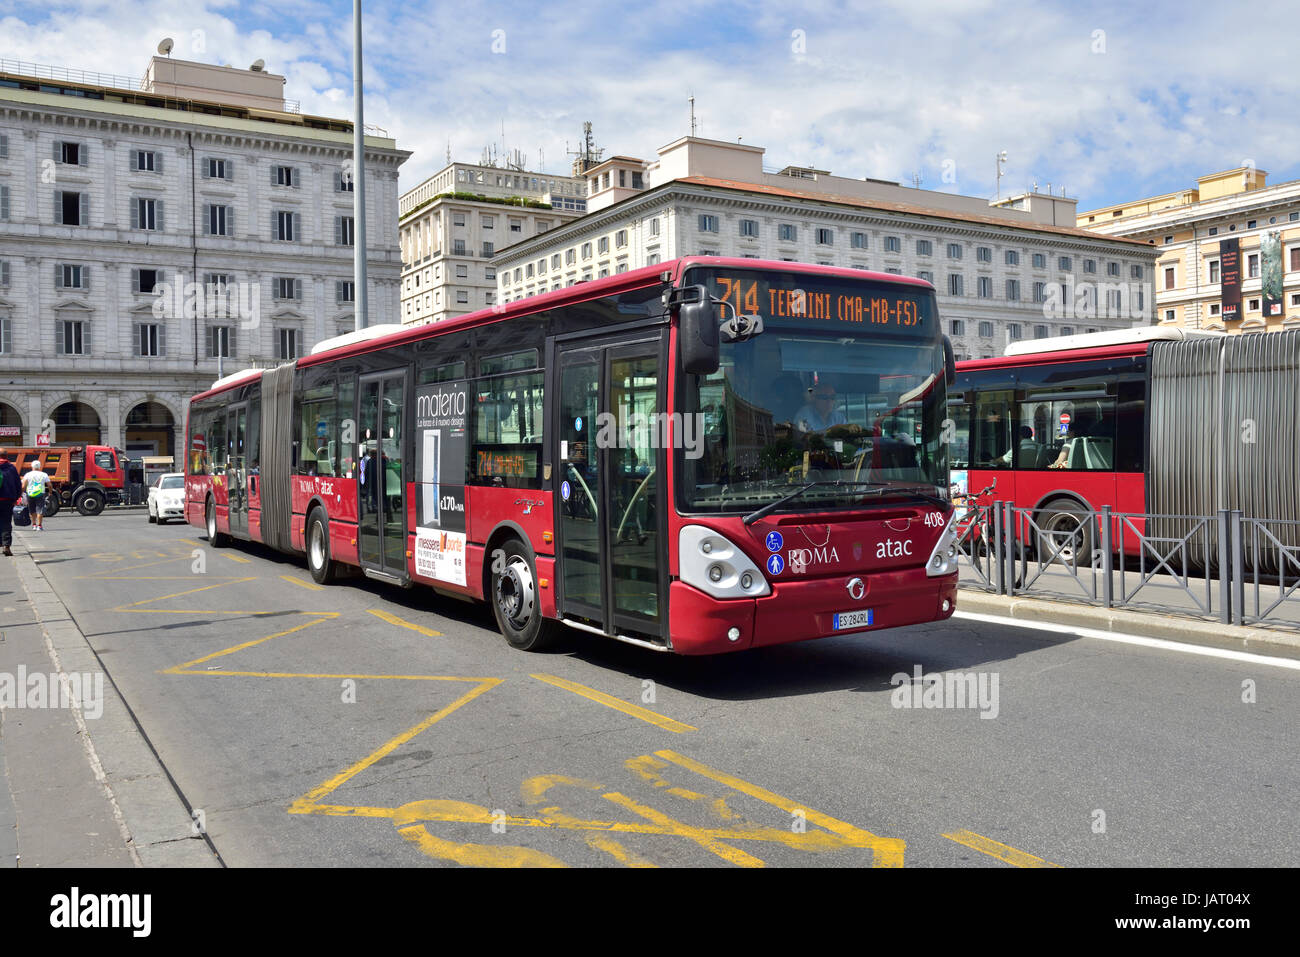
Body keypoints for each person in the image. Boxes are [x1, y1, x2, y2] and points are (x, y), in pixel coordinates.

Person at [0, 454, 21, 556]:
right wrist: (17, 497)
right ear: (6, 456)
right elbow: (18, 484)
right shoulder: (11, 467)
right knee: (6, 522)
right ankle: (6, 546)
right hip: (7, 499)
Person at [21, 459, 50, 531]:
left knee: (32, 510)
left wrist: (21, 493)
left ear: (32, 466)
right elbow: (49, 485)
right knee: (40, 510)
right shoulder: (44, 474)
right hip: (40, 494)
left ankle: (34, 525)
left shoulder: (28, 474)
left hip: (30, 494)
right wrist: (50, 492)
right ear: (40, 466)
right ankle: (39, 526)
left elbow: (24, 486)